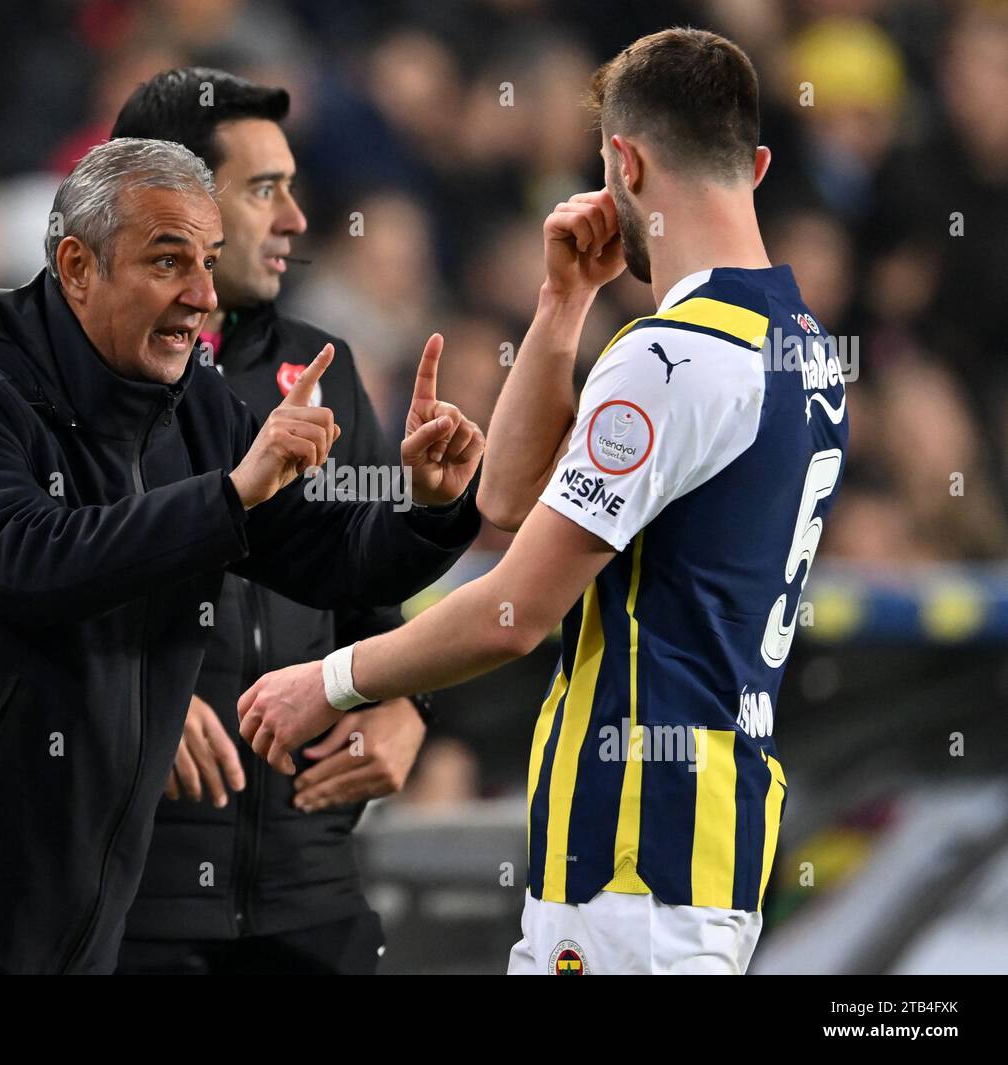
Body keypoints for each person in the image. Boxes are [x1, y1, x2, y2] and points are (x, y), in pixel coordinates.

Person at [0, 137, 484, 974]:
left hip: (63, 947)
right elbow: (32, 561)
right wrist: (232, 495)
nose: (202, 296)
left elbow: (332, 557)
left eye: (208, 262)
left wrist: (427, 502)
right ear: (77, 265)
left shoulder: (196, 406)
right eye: (168, 262)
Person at [237, 28, 849, 975]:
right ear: (756, 165)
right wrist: (562, 305)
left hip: (633, 853)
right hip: (704, 846)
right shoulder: (805, 348)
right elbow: (514, 498)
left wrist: (328, 679)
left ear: (623, 163)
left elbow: (517, 610)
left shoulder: (669, 356)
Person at [106, 69, 435, 975]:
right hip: (132, 901)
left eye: (291, 187)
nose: (295, 219)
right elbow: (2, 598)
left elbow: (370, 595)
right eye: (263, 190)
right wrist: (124, 704)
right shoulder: (64, 378)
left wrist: (409, 702)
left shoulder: (320, 369)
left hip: (311, 893)